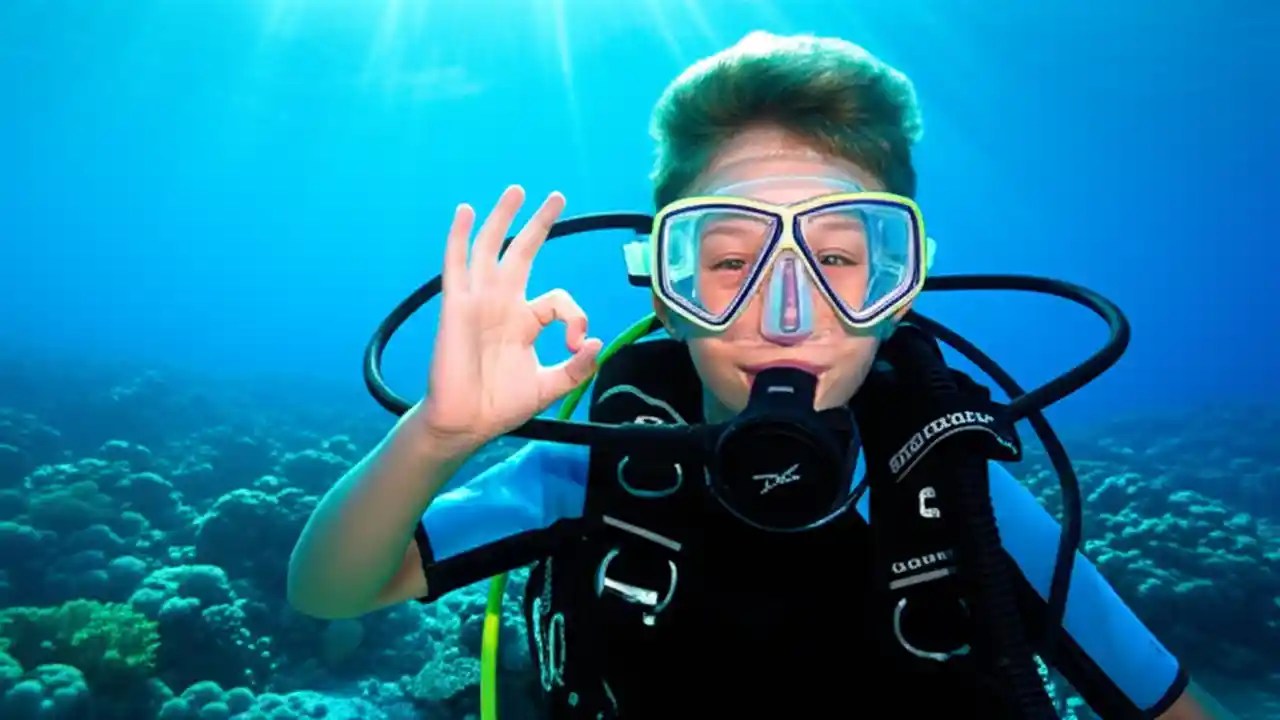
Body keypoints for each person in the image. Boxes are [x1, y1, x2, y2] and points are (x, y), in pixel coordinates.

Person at [288, 31, 1235, 719]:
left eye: (840, 258)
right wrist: (438, 437)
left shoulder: (953, 501)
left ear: (900, 288)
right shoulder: (602, 468)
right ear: (666, 288)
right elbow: (329, 590)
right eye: (731, 261)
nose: (790, 316)